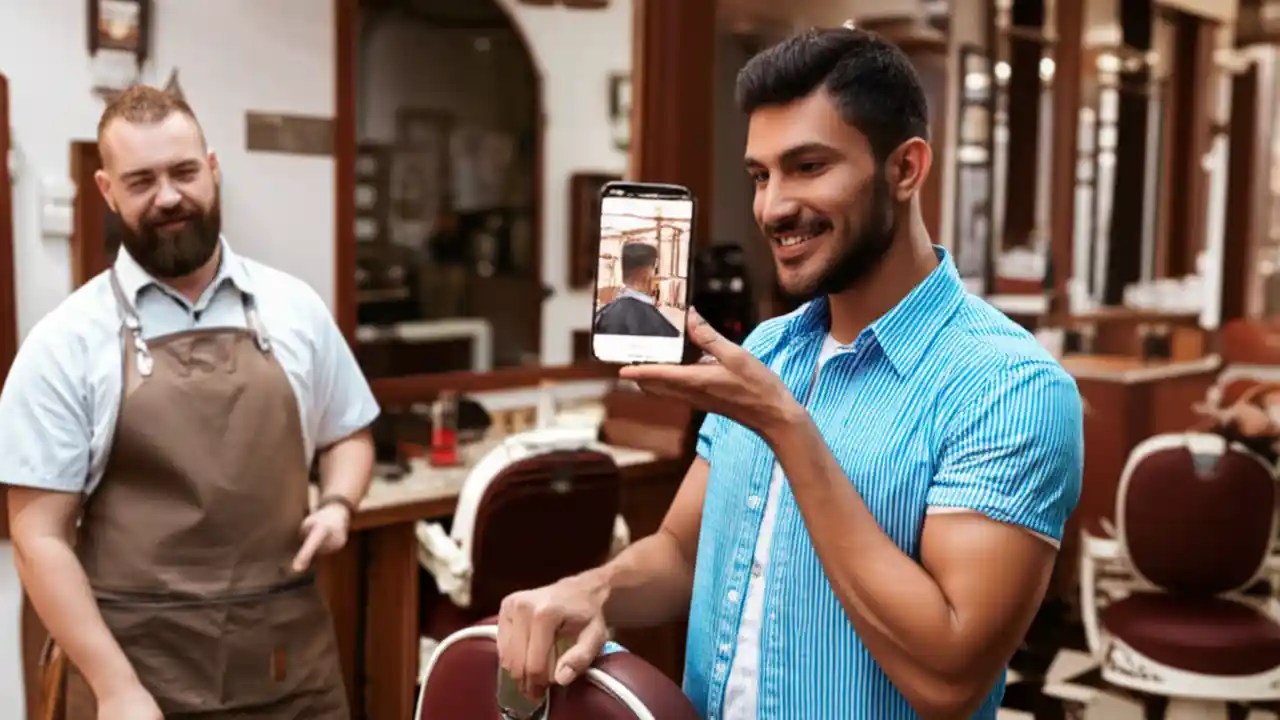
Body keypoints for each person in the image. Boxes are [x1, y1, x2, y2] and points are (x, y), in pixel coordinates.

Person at [497, 28, 1082, 720]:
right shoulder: (769, 351)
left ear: (905, 170)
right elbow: (683, 553)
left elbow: (948, 682)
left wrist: (785, 425)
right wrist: (595, 589)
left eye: (808, 166)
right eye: (761, 175)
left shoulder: (1010, 389)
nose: (772, 207)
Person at [0, 85, 379, 719]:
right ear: (106, 191)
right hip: (138, 674)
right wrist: (117, 688)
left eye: (182, 172)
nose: (169, 196)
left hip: (290, 669)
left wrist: (339, 502)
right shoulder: (66, 342)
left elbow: (349, 433)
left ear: (212, 167)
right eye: (141, 180)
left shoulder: (294, 309)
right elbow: (38, 536)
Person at [594, 242, 680, 337]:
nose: (658, 277)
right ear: (646, 273)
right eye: (655, 269)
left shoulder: (601, 316)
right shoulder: (659, 325)